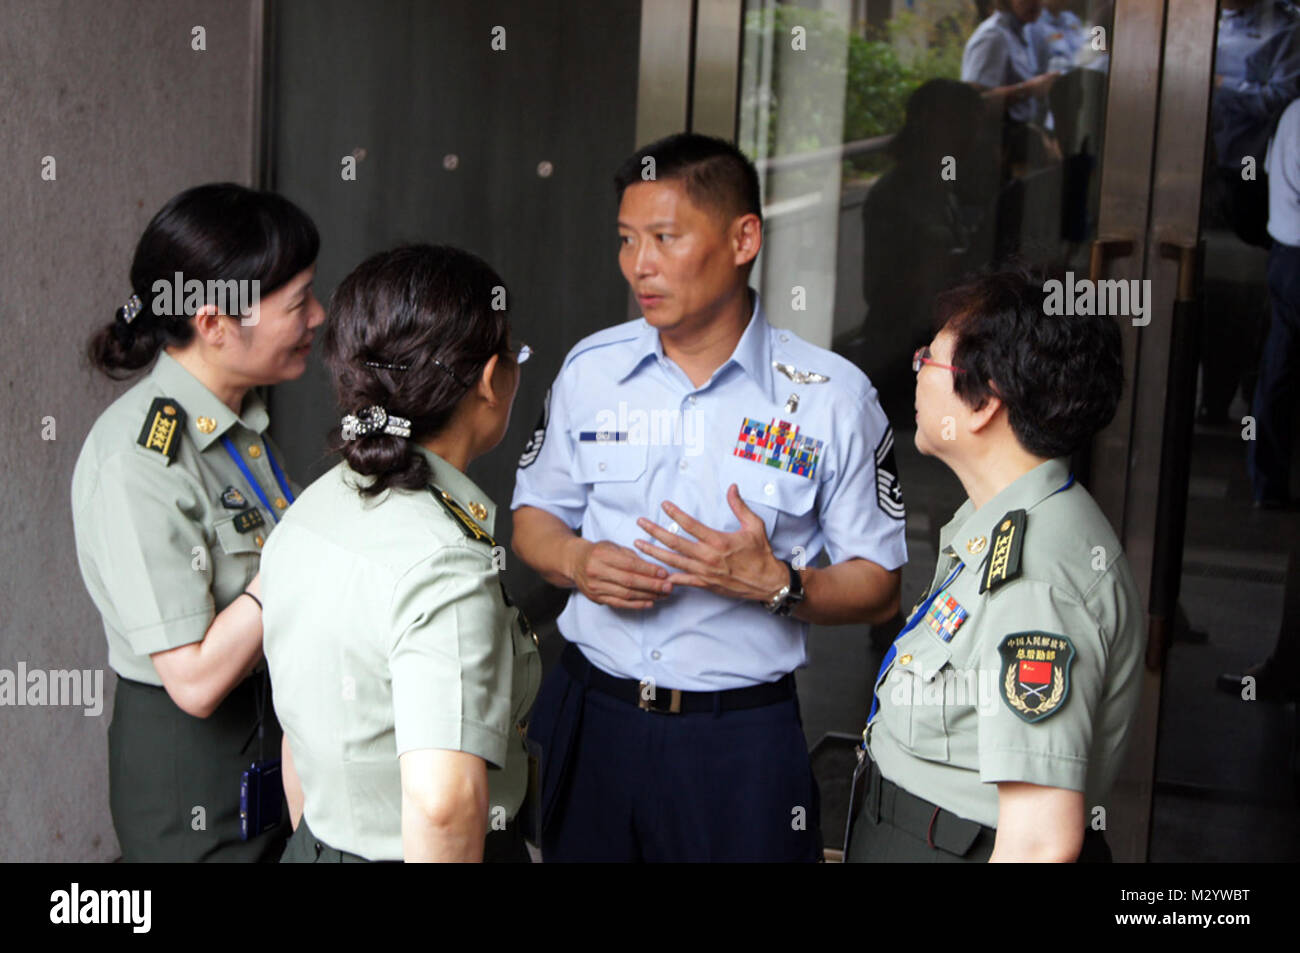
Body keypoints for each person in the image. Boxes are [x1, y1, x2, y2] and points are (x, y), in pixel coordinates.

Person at [511, 133, 906, 862]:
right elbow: (533, 517)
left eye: (665, 238)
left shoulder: (829, 400)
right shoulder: (591, 371)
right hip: (592, 718)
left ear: (743, 237)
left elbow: (880, 585)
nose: (640, 266)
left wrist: (781, 585)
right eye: (627, 240)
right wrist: (575, 557)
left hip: (739, 746)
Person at [844, 268, 1143, 863]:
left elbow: (1037, 844)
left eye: (929, 357)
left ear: (984, 401)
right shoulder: (1002, 527)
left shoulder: (1035, 578)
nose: (917, 368)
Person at [261, 244, 540, 863]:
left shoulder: (313, 507)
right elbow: (443, 806)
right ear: (491, 381)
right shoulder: (443, 560)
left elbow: (299, 736)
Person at [71, 183, 323, 861]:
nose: (318, 317)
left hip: (268, 749)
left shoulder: (240, 428)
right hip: (196, 774)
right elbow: (196, 679)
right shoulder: (139, 457)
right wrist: (307, 552)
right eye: (298, 303)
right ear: (215, 322)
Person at [962, 0, 1060, 126]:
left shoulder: (1024, 32)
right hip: (1001, 139)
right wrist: (1030, 89)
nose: (1036, 3)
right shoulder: (993, 36)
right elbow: (973, 103)